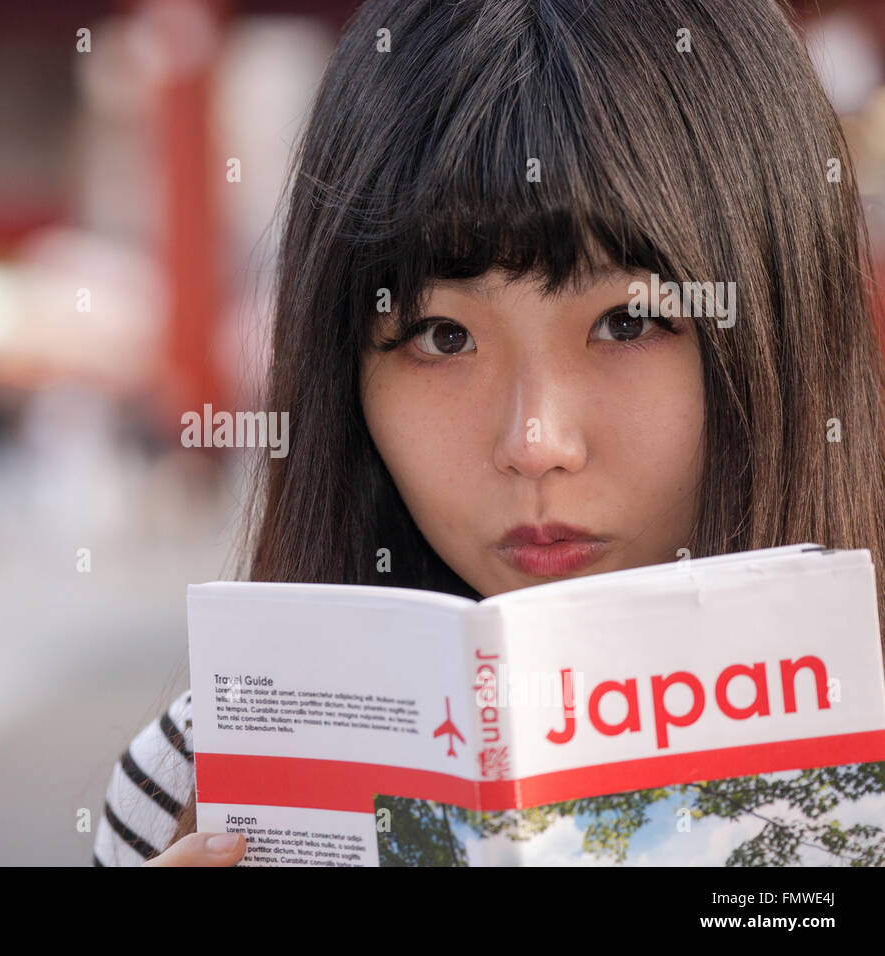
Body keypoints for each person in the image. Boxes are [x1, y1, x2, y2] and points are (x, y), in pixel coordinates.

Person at [93, 0, 885, 866]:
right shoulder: (198, 782)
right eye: (443, 336)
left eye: (627, 322)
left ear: (782, 322)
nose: (536, 441)